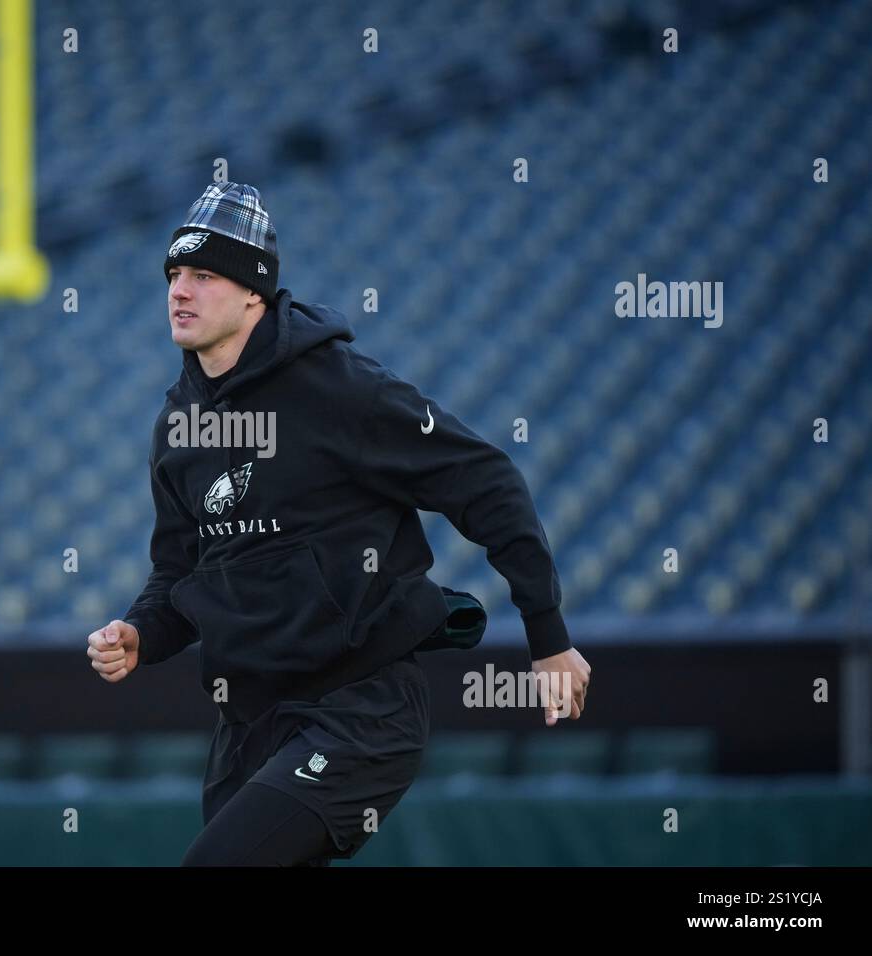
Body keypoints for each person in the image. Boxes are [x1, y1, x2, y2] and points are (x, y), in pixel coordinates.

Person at [87, 181, 590, 866]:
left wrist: (549, 637)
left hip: (361, 712)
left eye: (203, 275)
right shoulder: (179, 426)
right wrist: (141, 632)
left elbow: (486, 480)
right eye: (174, 274)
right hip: (250, 724)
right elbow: (179, 572)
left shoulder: (337, 387)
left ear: (252, 293)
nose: (180, 290)